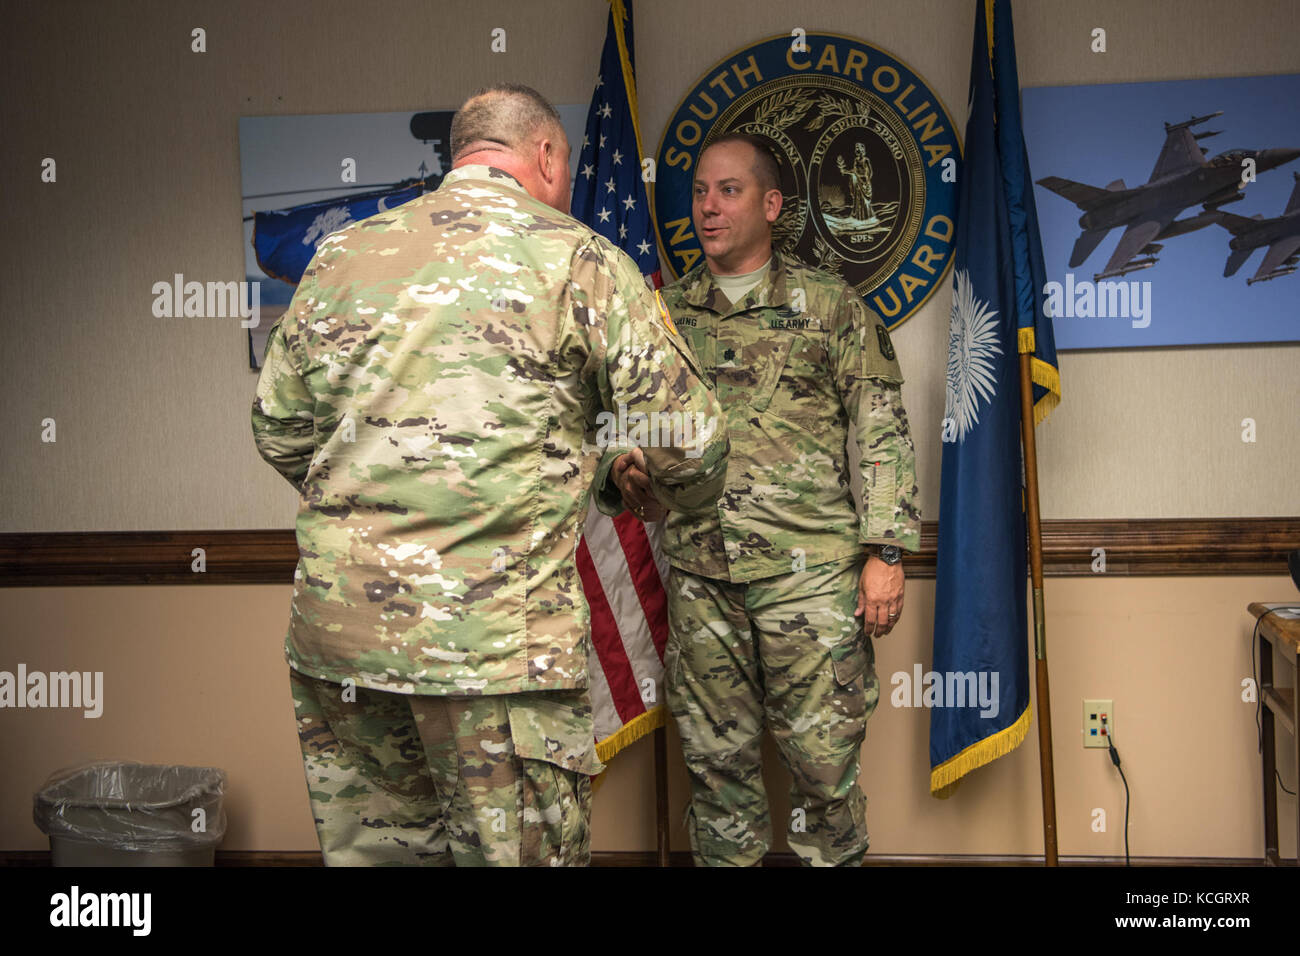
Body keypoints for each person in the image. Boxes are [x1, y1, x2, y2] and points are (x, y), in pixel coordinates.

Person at [251, 83, 728, 867]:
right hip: (494, 652)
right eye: (566, 168)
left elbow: (278, 432)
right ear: (543, 154)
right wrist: (652, 486)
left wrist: (383, 496)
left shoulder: (341, 257)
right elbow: (694, 439)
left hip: (341, 645)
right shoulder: (577, 257)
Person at [615, 133, 920, 866]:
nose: (707, 208)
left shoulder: (830, 306)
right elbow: (621, 423)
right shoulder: (662, 314)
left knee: (823, 770)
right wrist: (621, 471)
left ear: (771, 204)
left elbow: (882, 431)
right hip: (700, 579)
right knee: (717, 773)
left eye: (728, 191)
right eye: (698, 193)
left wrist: (885, 553)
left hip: (808, 580)